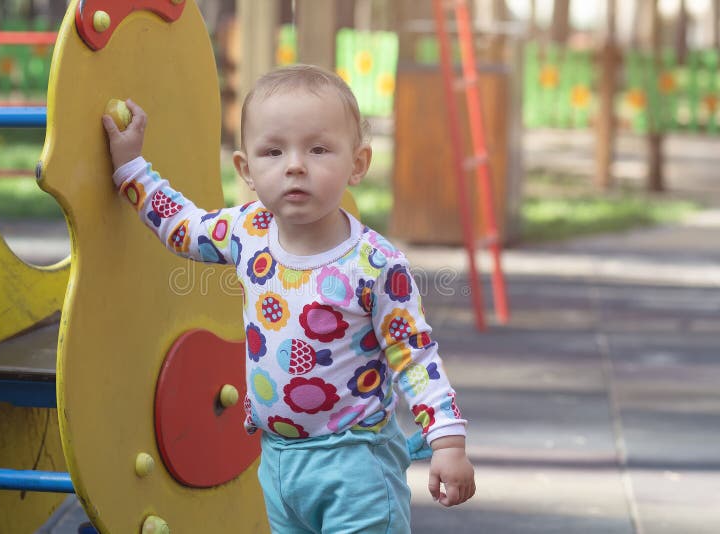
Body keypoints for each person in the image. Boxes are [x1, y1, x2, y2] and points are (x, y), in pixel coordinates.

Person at [102, 64, 475, 533]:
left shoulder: (375, 265)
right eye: (273, 151)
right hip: (277, 462)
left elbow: (414, 356)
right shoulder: (247, 231)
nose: (295, 164)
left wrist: (449, 442)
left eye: (318, 149)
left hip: (354, 463)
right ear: (247, 170)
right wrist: (130, 166)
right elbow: (183, 228)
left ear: (358, 164)